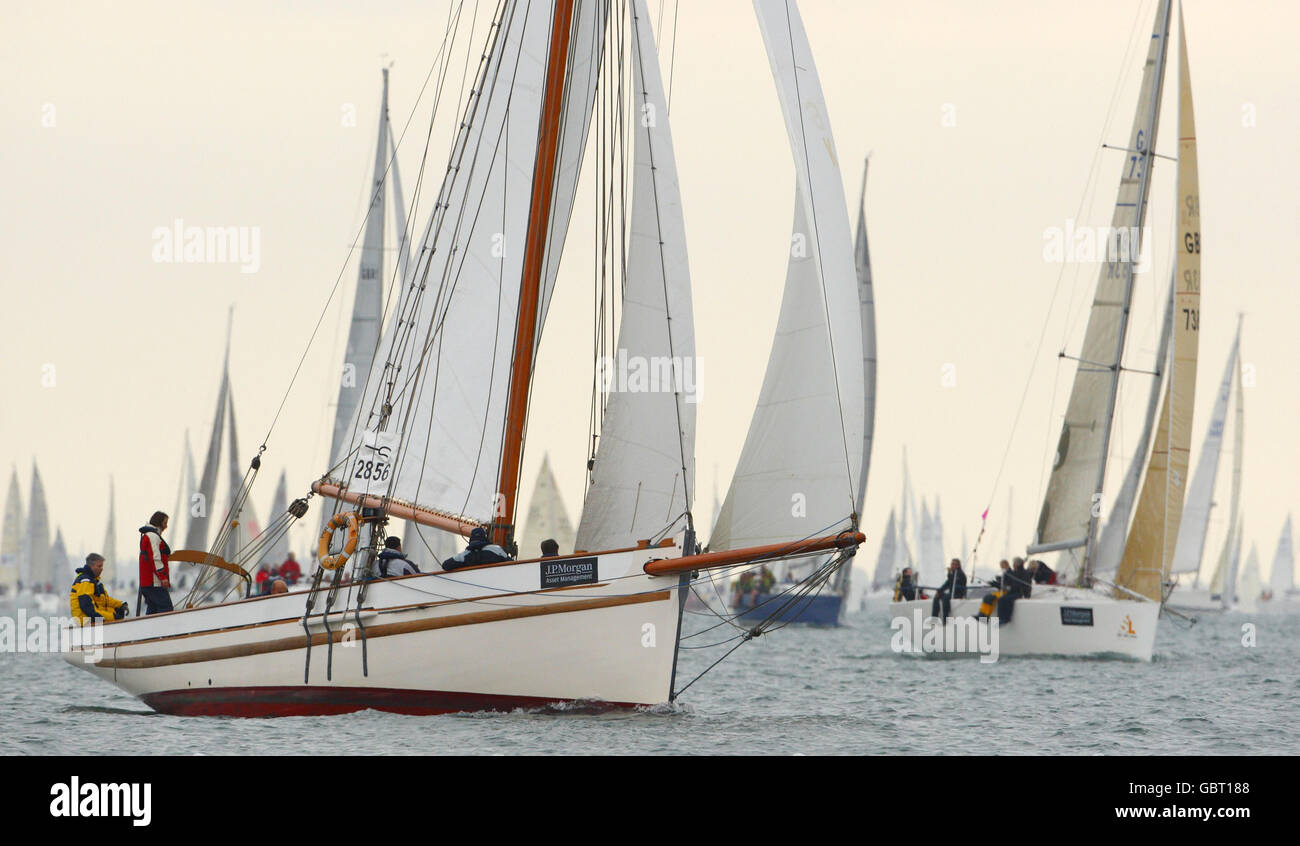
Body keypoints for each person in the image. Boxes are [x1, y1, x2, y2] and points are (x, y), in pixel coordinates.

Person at [70, 553, 128, 624]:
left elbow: (105, 600)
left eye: (102, 566)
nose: (102, 569)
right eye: (99, 566)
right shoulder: (85, 581)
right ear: (91, 566)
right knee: (116, 617)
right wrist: (102, 618)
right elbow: (86, 606)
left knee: (118, 611)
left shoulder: (94, 581)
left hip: (91, 615)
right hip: (85, 619)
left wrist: (121, 604)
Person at [138, 511, 174, 615]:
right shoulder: (153, 536)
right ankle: (166, 631)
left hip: (147, 583)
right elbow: (155, 558)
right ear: (159, 522)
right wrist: (163, 577)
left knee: (153, 611)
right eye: (165, 523)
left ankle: (148, 631)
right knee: (166, 609)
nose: (166, 526)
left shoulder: (148, 535)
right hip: (154, 582)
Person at [444, 527, 512, 571]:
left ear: (471, 539)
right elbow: (512, 564)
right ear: (485, 538)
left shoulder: (465, 554)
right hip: (496, 583)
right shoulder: (496, 549)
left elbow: (445, 565)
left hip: (474, 586)